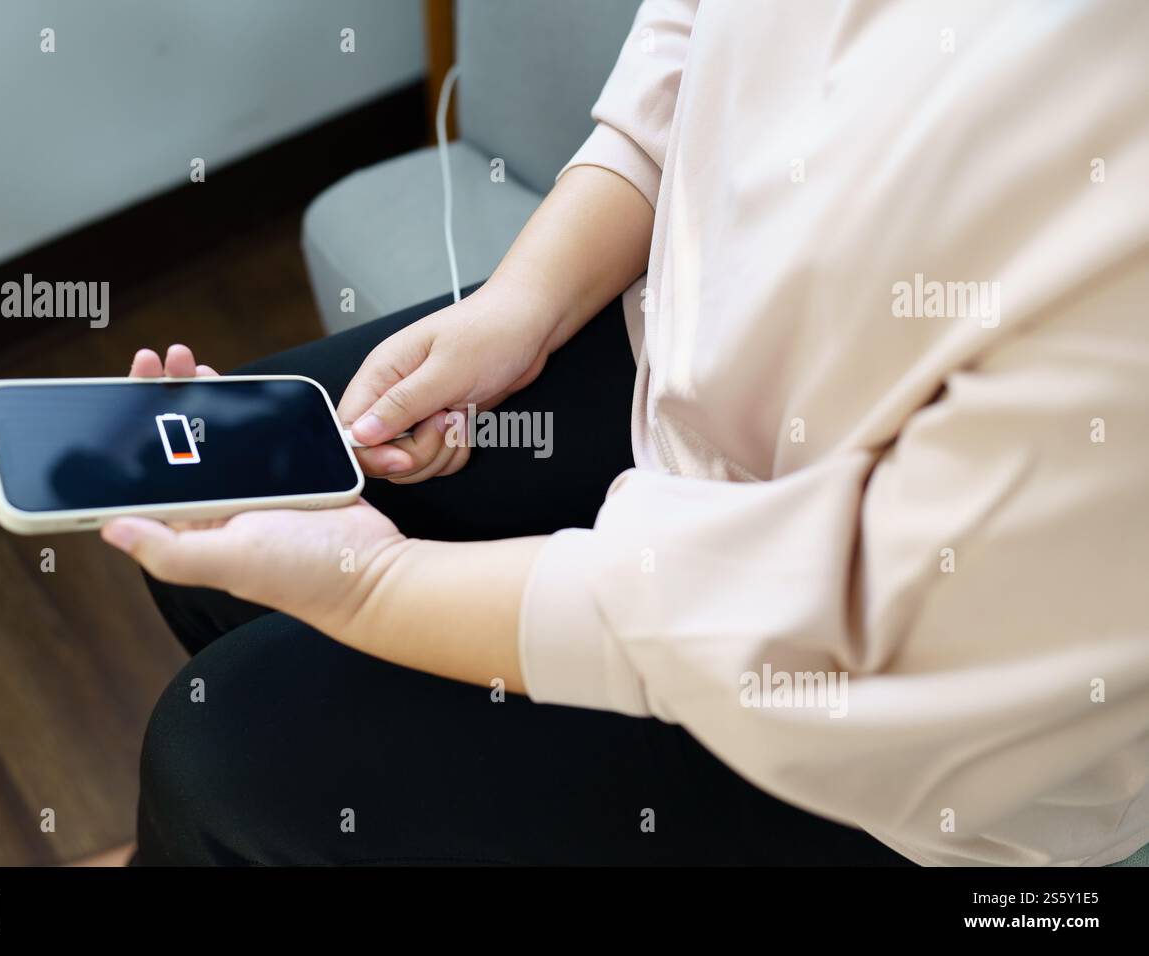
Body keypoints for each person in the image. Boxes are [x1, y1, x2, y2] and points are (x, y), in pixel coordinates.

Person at [101, 0, 1149, 866]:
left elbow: (844, 626)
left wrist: (374, 585)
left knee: (219, 762)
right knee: (212, 483)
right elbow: (690, 43)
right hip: (702, 394)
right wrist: (519, 307)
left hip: (903, 742)